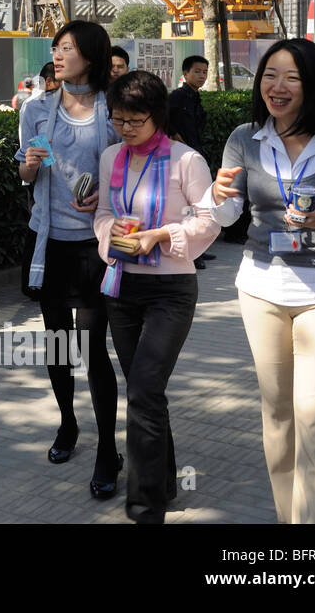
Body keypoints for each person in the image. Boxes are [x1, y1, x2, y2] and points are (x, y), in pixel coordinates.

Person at [209, 38, 315, 524]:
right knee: (277, 414)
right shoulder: (245, 138)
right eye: (269, 74)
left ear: (313, 85)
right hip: (261, 289)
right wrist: (217, 194)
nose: (277, 86)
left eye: (292, 78)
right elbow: (229, 213)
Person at [94, 71, 219, 523]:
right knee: (146, 393)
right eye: (118, 119)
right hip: (122, 285)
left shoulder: (187, 161)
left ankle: (145, 507)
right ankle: (162, 481)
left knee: (145, 391)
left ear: (158, 117)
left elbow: (210, 221)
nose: (126, 129)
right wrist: (112, 232)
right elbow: (105, 212)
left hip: (171, 289)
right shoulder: (111, 157)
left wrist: (161, 235)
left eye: (136, 120)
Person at [16, 20, 122, 499]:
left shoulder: (114, 109)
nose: (58, 55)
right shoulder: (37, 108)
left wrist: (104, 192)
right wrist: (29, 167)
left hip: (96, 245)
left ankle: (106, 450)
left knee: (94, 347)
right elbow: (22, 171)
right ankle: (67, 424)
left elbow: (130, 171)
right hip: (49, 241)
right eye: (56, 47)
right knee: (59, 343)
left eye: (69, 48)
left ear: (93, 56)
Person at [168, 54, 213, 268]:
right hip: (181, 157)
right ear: (185, 74)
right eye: (197, 71)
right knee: (186, 207)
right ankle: (192, 253)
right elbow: (164, 121)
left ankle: (200, 249)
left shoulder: (196, 98)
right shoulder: (176, 97)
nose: (202, 75)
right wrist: (177, 138)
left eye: (205, 72)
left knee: (198, 205)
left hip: (195, 153)